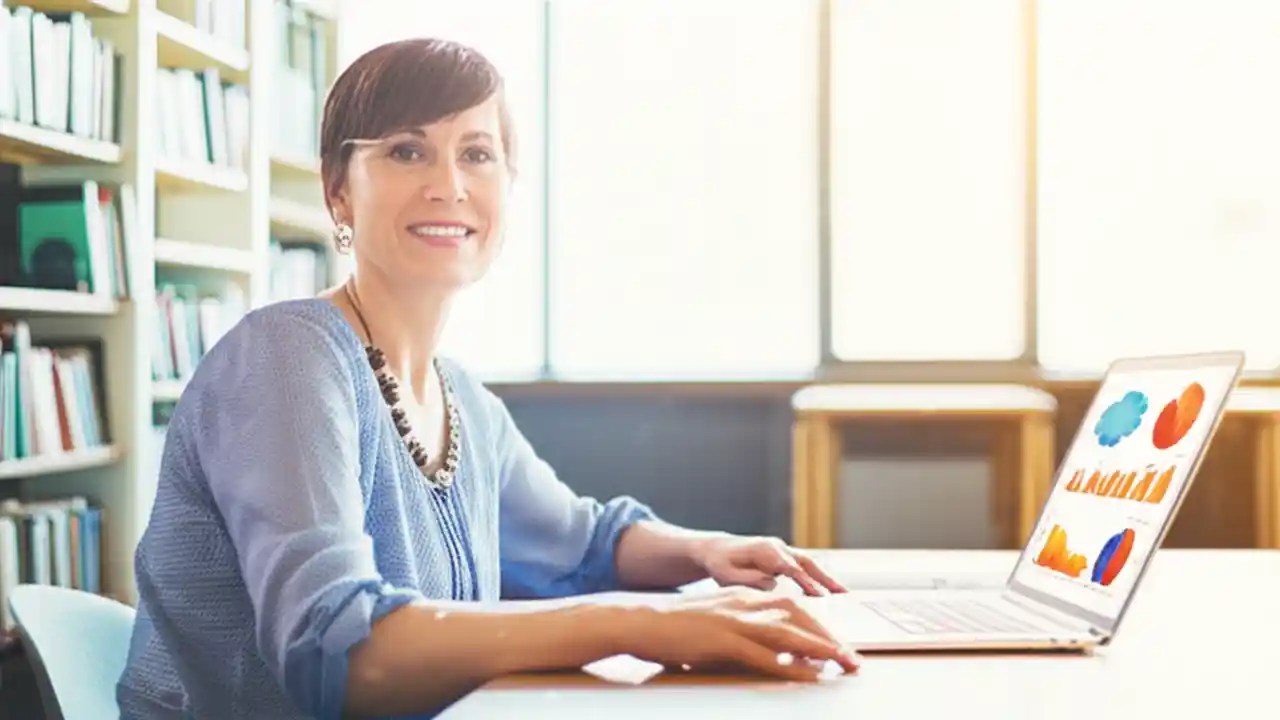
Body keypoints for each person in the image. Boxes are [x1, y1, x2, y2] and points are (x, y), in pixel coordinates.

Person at [116, 38, 859, 720]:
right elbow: (334, 651)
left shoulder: (460, 394)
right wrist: (645, 624)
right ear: (338, 191)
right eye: (407, 152)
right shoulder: (284, 358)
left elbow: (581, 545)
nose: (449, 185)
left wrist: (706, 554)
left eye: (477, 154)